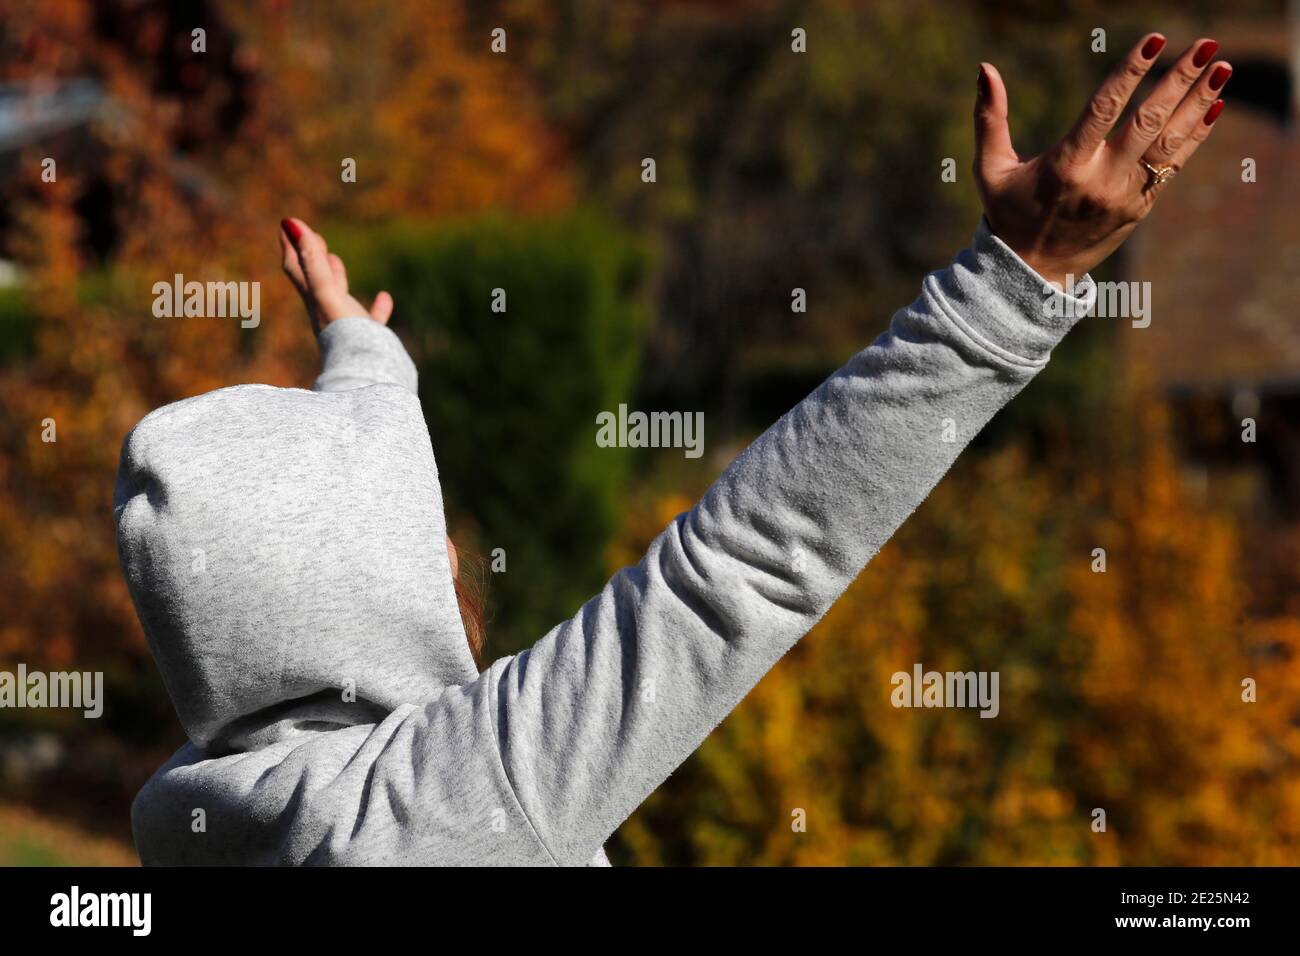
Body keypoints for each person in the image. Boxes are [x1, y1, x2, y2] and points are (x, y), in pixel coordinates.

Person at [116, 33, 1229, 865]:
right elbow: (743, 563)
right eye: (417, 534)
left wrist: (365, 362)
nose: (450, 556)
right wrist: (1016, 276)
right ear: (368, 579)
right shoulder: (456, 796)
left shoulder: (196, 823)